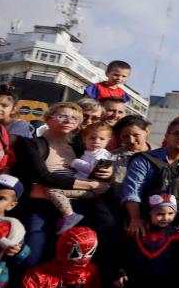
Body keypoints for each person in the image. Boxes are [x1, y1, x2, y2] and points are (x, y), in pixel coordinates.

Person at [11, 102, 109, 264]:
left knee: (69, 261)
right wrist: (91, 186)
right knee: (32, 258)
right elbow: (44, 176)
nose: (68, 120)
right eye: (62, 116)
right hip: (41, 208)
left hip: (75, 208)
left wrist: (106, 174)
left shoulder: (79, 148)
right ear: (48, 119)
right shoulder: (32, 144)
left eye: (74, 118)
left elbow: (95, 172)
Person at [122, 117, 179, 239]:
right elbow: (132, 191)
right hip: (145, 222)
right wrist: (135, 218)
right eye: (178, 134)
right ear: (167, 135)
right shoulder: (144, 159)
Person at [46, 121, 113, 232]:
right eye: (92, 138)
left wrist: (75, 162)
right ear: (84, 139)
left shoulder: (102, 153)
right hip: (81, 186)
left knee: (54, 192)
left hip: (88, 189)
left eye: (101, 139)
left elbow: (95, 170)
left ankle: (70, 217)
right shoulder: (89, 152)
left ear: (108, 140)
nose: (96, 141)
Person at [0, 174, 29, 288]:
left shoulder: (13, 227)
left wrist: (18, 251)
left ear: (11, 205)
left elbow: (19, 255)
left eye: (1, 198)